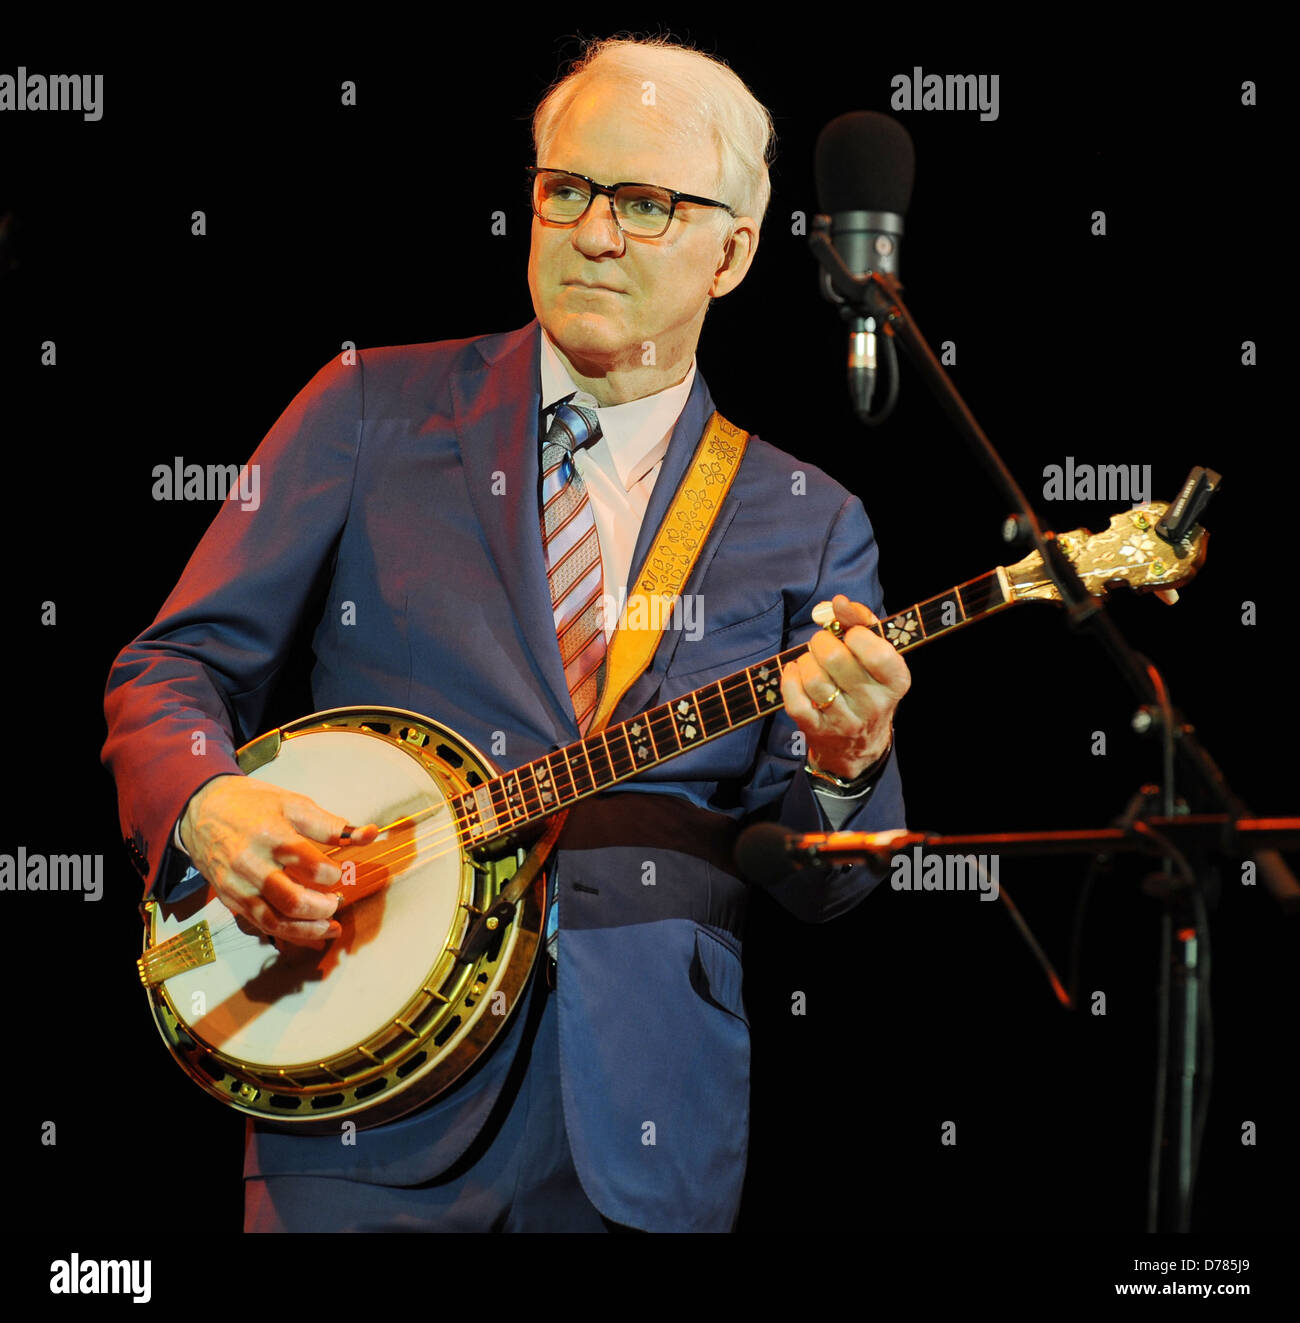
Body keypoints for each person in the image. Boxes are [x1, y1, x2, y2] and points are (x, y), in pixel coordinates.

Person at [102, 35, 910, 1233]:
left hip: (637, 1131)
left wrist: (847, 766)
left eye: (647, 203)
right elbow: (171, 667)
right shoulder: (369, 408)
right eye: (567, 191)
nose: (594, 233)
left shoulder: (807, 520)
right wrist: (207, 804)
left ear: (732, 251)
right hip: (352, 1095)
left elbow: (822, 884)